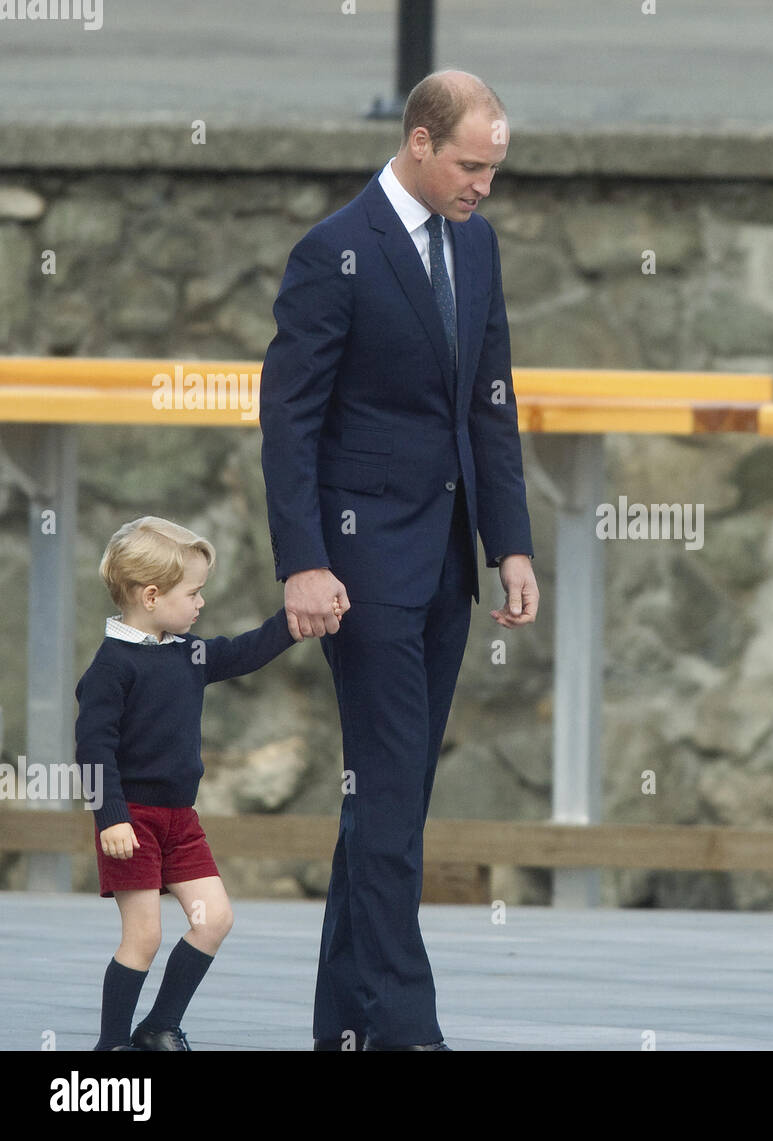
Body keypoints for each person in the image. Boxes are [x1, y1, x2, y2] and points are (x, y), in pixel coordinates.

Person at [259, 69, 539, 1052]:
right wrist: (300, 561)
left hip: (444, 568)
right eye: (470, 165)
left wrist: (509, 541)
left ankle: (345, 1026)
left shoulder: (477, 242)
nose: (483, 185)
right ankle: (407, 1029)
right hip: (358, 565)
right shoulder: (332, 250)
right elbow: (288, 423)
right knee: (384, 801)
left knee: (390, 803)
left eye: (495, 169)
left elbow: (489, 402)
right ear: (418, 142)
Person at [76, 516, 302, 1051]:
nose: (201, 604)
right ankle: (111, 1045)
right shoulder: (112, 668)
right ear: (151, 596)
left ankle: (158, 1027)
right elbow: (92, 750)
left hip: (181, 821)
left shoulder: (188, 652)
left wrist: (293, 621)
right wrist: (109, 816)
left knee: (214, 919)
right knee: (144, 936)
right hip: (132, 821)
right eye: (193, 593)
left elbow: (242, 652)